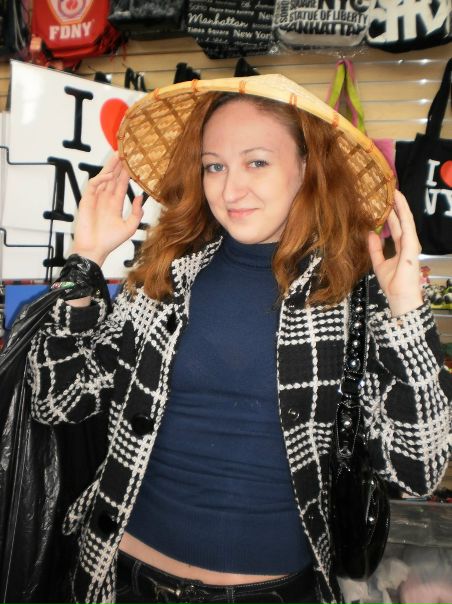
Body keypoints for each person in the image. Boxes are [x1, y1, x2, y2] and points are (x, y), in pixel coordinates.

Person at [27, 74, 451, 604]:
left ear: (306, 168)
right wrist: (85, 262)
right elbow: (57, 398)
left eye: (257, 162)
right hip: (118, 576)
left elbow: (417, 469)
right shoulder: (166, 277)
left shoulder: (352, 296)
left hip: (272, 591)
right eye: (214, 166)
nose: (230, 191)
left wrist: (408, 312)